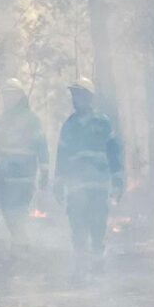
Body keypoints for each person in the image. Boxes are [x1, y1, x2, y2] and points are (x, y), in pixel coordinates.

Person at [53, 78, 123, 274]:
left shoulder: (103, 122)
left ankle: (97, 266)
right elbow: (62, 155)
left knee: (97, 227)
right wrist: (58, 182)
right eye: (74, 95)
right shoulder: (69, 125)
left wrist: (118, 180)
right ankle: (80, 270)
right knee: (77, 228)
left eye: (80, 94)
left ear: (89, 97)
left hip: (98, 186)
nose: (76, 98)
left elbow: (113, 152)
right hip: (76, 187)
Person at [0, 78, 47, 246]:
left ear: (20, 96)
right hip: (3, 179)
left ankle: (21, 246)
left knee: (18, 213)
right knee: (8, 214)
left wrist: (45, 172)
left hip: (24, 179)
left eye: (11, 95)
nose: (7, 99)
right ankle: (21, 244)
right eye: (5, 95)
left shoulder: (32, 120)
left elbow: (42, 146)